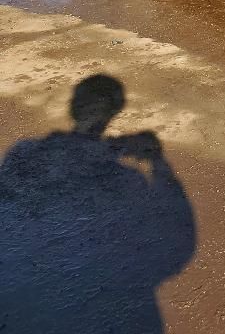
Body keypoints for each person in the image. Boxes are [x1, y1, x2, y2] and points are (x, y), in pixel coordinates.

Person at [0, 74, 196, 334]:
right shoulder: (127, 182)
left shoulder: (22, 154)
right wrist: (159, 164)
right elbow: (174, 248)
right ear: (113, 113)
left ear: (72, 108)